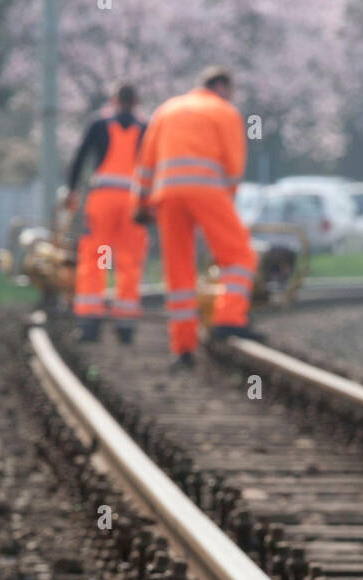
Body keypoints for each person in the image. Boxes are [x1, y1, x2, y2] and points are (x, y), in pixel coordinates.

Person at [131, 66, 260, 367]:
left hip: (167, 195)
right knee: (239, 255)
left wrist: (140, 202)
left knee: (178, 269)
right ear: (223, 87)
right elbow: (233, 163)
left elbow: (145, 162)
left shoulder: (166, 110)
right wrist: (227, 199)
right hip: (207, 190)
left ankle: (183, 346)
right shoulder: (224, 111)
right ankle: (228, 318)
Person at [66, 82, 149, 343]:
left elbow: (80, 158)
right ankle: (125, 327)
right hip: (133, 203)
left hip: (103, 200)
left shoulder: (99, 124)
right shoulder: (145, 127)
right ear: (136, 101)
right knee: (128, 261)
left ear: (114, 99)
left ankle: (90, 322)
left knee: (97, 257)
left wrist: (72, 190)